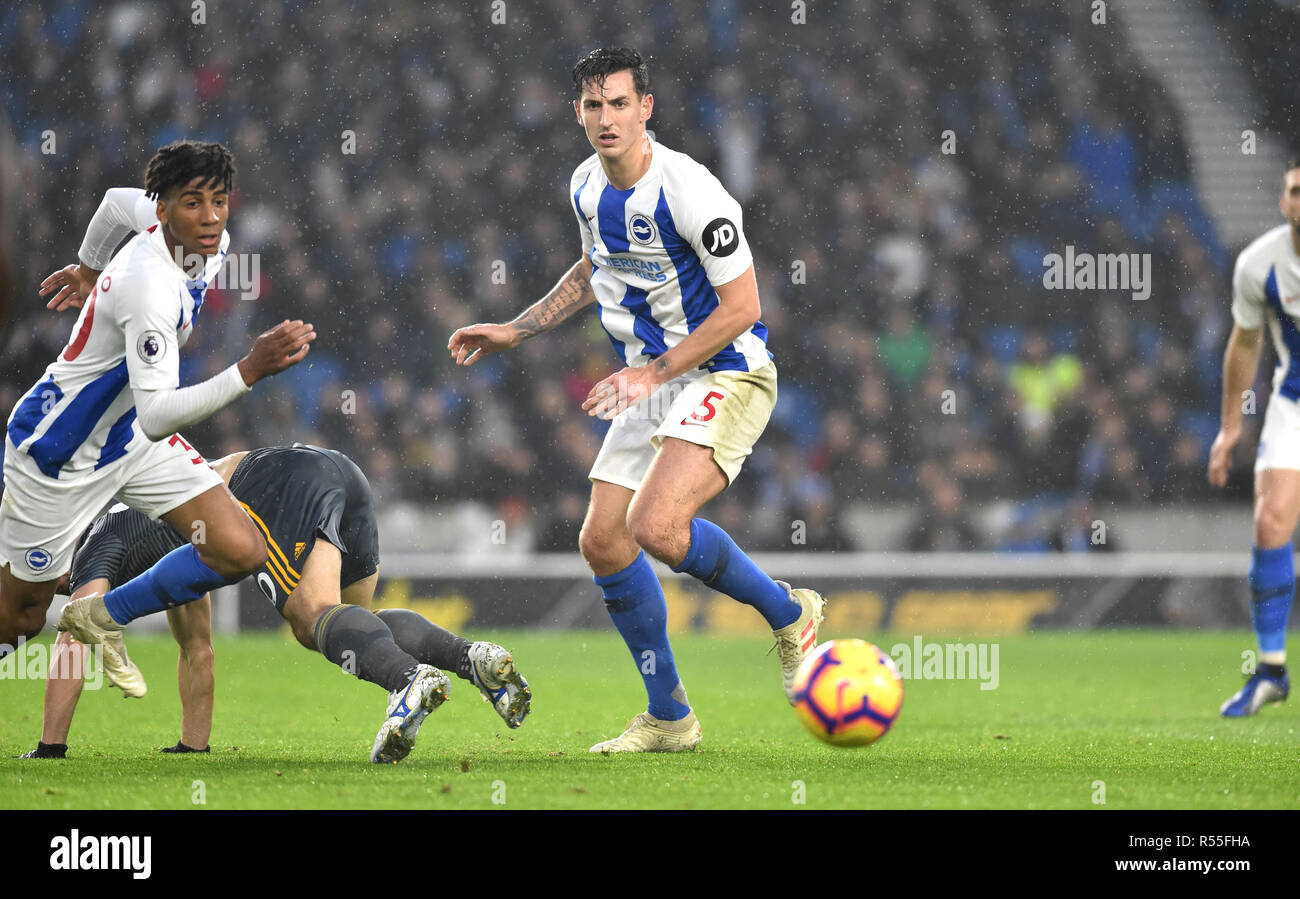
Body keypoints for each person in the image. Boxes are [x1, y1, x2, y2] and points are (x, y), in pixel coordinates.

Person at [447, 48, 823, 753]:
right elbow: (596, 267)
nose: (606, 118)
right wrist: (517, 328)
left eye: (619, 103)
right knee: (602, 539)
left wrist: (653, 375)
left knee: (655, 525)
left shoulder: (693, 192)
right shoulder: (585, 185)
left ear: (646, 107)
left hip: (726, 371)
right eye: (593, 105)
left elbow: (744, 306)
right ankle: (670, 718)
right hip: (653, 379)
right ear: (577, 113)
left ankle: (789, 609)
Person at [0, 141, 314, 664]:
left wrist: (87, 266)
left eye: (219, 200)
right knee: (21, 619)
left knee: (239, 549)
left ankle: (98, 613)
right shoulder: (149, 289)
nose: (210, 218)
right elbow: (157, 416)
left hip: (127, 437)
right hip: (60, 450)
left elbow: (115, 204)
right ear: (164, 209)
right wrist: (250, 369)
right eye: (193, 203)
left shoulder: (200, 235)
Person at [48, 445, 530, 763]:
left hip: (277, 486)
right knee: (355, 620)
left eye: (49, 581)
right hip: (339, 472)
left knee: (308, 617)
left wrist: (51, 749)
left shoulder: (93, 545)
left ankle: (408, 681)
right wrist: (191, 748)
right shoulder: (155, 523)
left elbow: (76, 632)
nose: (55, 588)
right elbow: (198, 649)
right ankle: (470, 657)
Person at [1207, 154, 1300, 716]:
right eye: (1295, 191)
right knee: (1270, 522)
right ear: (1284, 202)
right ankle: (1270, 671)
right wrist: (1229, 428)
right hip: (1295, 403)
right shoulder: (1257, 265)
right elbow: (1245, 345)